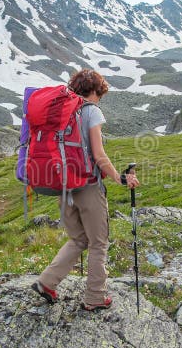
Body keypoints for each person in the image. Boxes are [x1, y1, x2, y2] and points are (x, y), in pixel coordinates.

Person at [32, 69, 140, 311]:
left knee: (78, 238)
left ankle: (46, 283)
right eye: (100, 93)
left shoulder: (63, 111)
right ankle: (95, 298)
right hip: (88, 185)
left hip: (63, 186)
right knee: (98, 243)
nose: (100, 97)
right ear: (95, 90)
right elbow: (99, 155)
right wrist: (119, 178)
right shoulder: (91, 111)